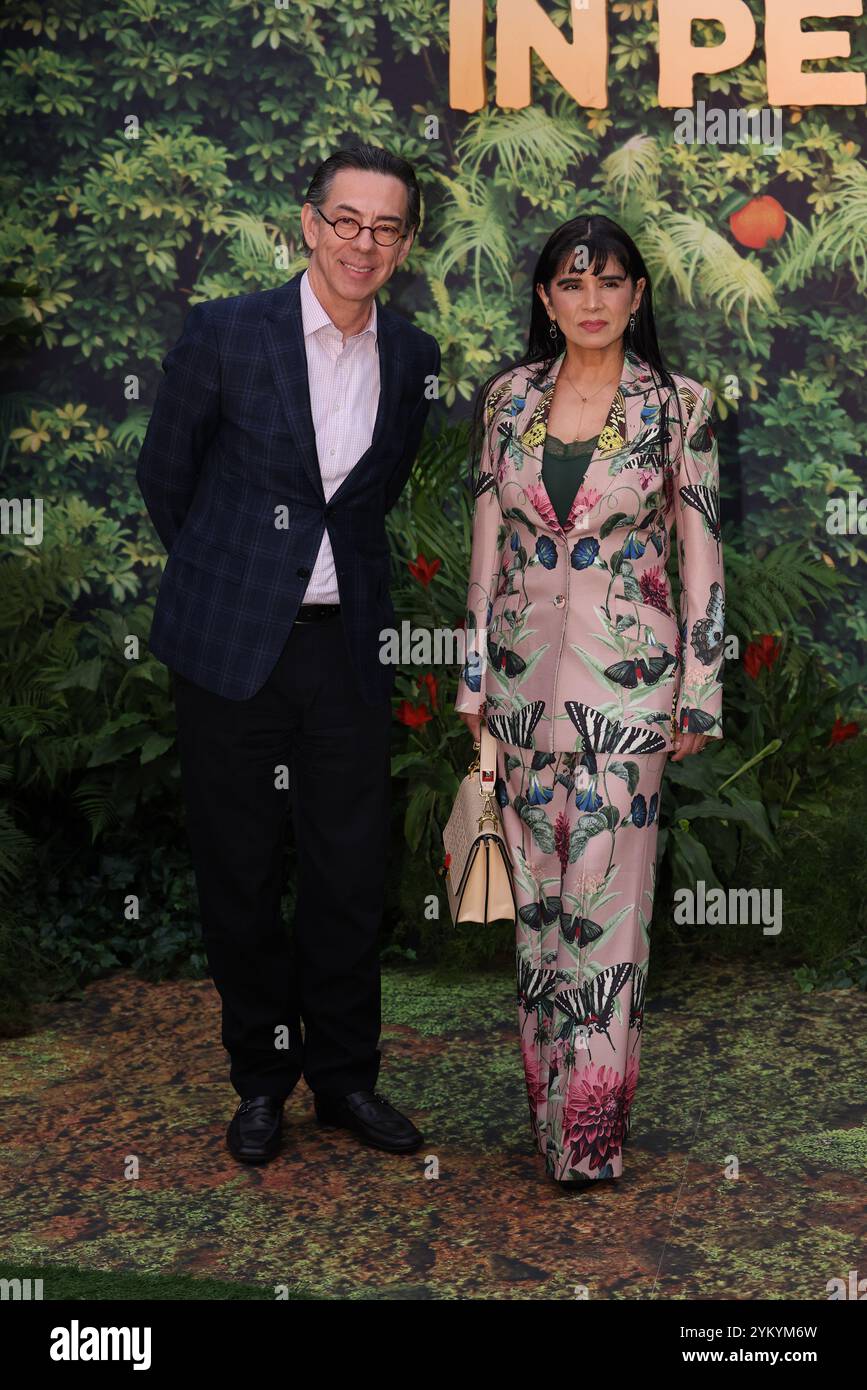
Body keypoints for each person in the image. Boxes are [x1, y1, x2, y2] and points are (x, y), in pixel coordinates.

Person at [136, 144, 440, 1165]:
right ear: (308, 222)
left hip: (344, 650)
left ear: (404, 246)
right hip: (231, 652)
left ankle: (346, 1080)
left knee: (351, 873)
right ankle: (263, 1078)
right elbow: (166, 479)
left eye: (386, 227)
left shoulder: (413, 355)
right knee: (240, 871)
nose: (363, 243)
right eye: (346, 220)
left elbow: (373, 498)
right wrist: (241, 585)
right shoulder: (226, 331)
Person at [455, 214, 724, 1187]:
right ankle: (549, 1112)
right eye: (574, 284)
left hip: (630, 690)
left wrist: (699, 689)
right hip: (525, 686)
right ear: (545, 298)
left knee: (608, 910)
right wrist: (474, 678)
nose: (594, 300)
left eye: (612, 282)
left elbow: (700, 553)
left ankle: (593, 1130)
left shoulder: (678, 407)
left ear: (638, 295)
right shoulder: (509, 401)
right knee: (538, 906)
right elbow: (490, 543)